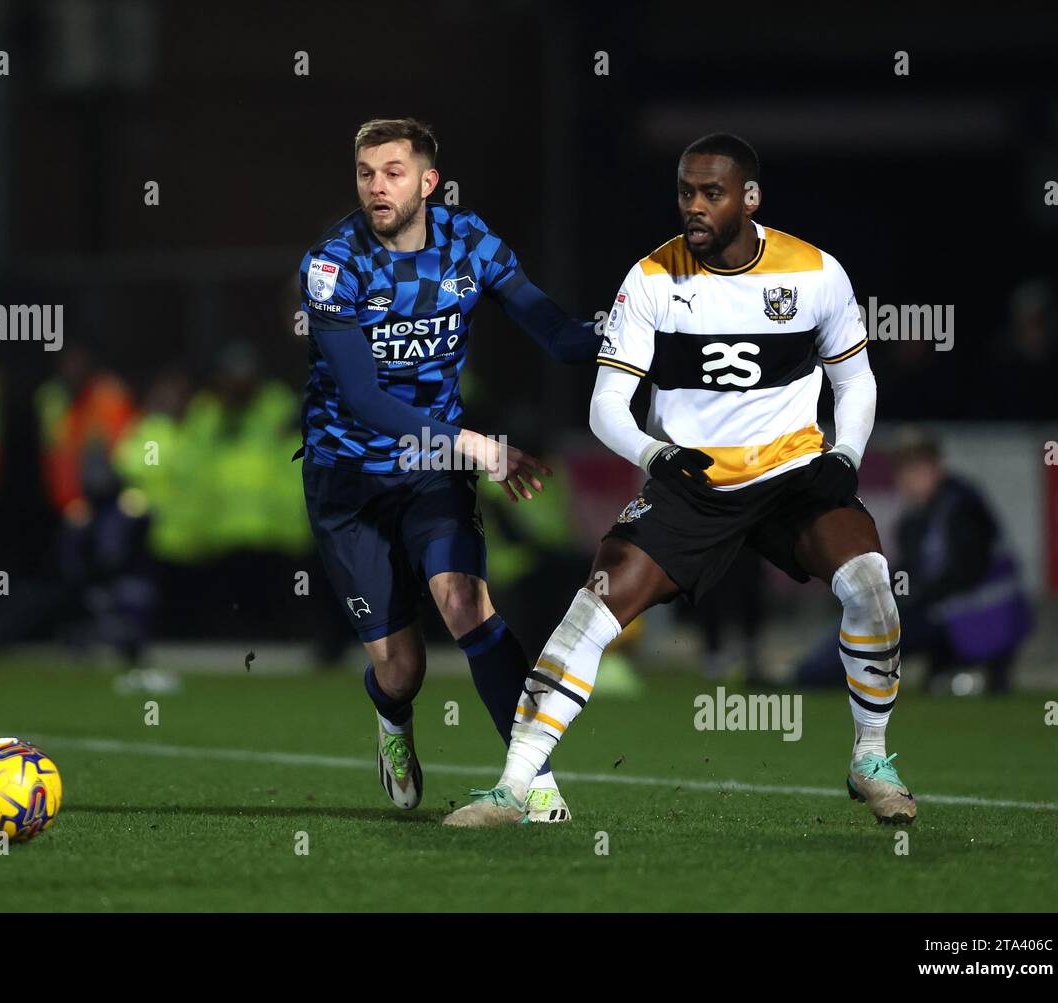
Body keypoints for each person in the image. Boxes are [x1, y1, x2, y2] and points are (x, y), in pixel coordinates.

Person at [445, 133, 917, 828]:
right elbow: (606, 405)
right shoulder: (650, 280)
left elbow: (855, 380)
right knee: (591, 612)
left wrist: (845, 454)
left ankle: (869, 757)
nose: (694, 206)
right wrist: (654, 455)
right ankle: (514, 788)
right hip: (690, 480)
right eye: (685, 192)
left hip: (791, 473)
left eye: (711, 193)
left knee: (871, 583)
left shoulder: (816, 272)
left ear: (749, 199)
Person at [299, 117, 600, 822]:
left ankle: (535, 779)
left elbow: (558, 336)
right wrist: (482, 448)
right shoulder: (333, 265)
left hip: (433, 464)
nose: (377, 187)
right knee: (402, 669)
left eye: (393, 172)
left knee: (465, 602)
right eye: (366, 173)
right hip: (348, 477)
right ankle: (391, 718)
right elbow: (365, 400)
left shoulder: (471, 243)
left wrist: (643, 330)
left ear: (429, 181)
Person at [797, 428, 1032, 693]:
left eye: (916, 468)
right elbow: (912, 576)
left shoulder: (961, 506)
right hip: (950, 616)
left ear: (937, 467)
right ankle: (817, 672)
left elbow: (965, 572)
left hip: (985, 618)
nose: (907, 479)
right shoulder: (914, 522)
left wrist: (906, 598)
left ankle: (823, 673)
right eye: (902, 470)